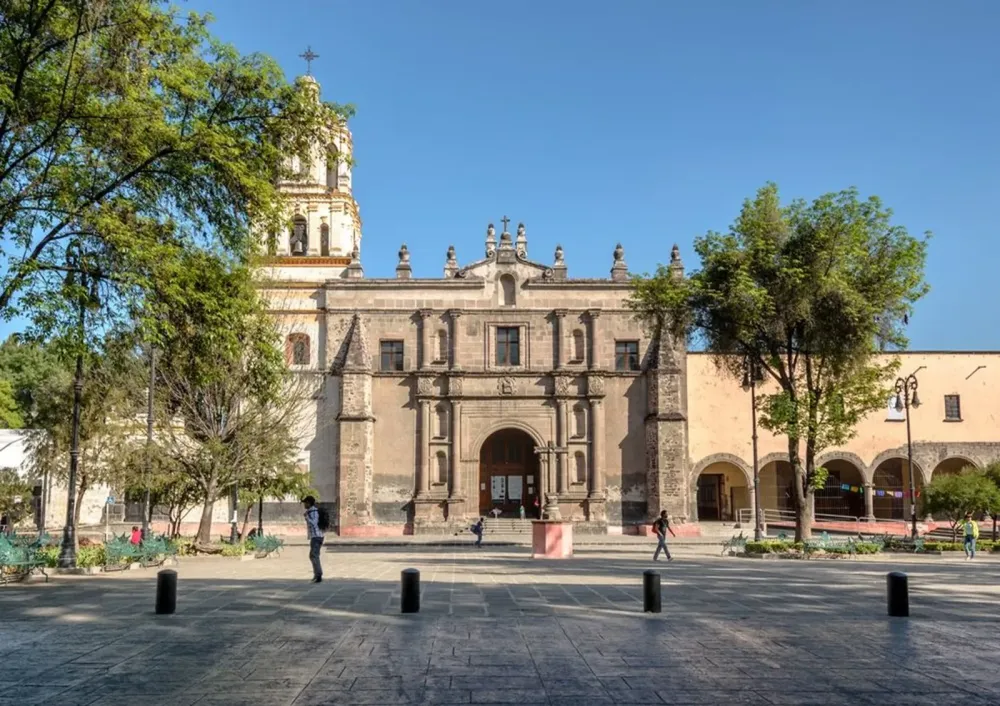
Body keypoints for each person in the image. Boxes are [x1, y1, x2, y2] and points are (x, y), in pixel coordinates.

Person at [302, 496, 325, 582]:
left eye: (305, 503)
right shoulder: (311, 511)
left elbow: (314, 523)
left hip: (317, 537)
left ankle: (318, 575)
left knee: (314, 555)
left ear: (308, 503)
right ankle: (317, 574)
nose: (304, 504)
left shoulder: (313, 512)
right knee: (314, 555)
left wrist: (307, 518)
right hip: (316, 536)